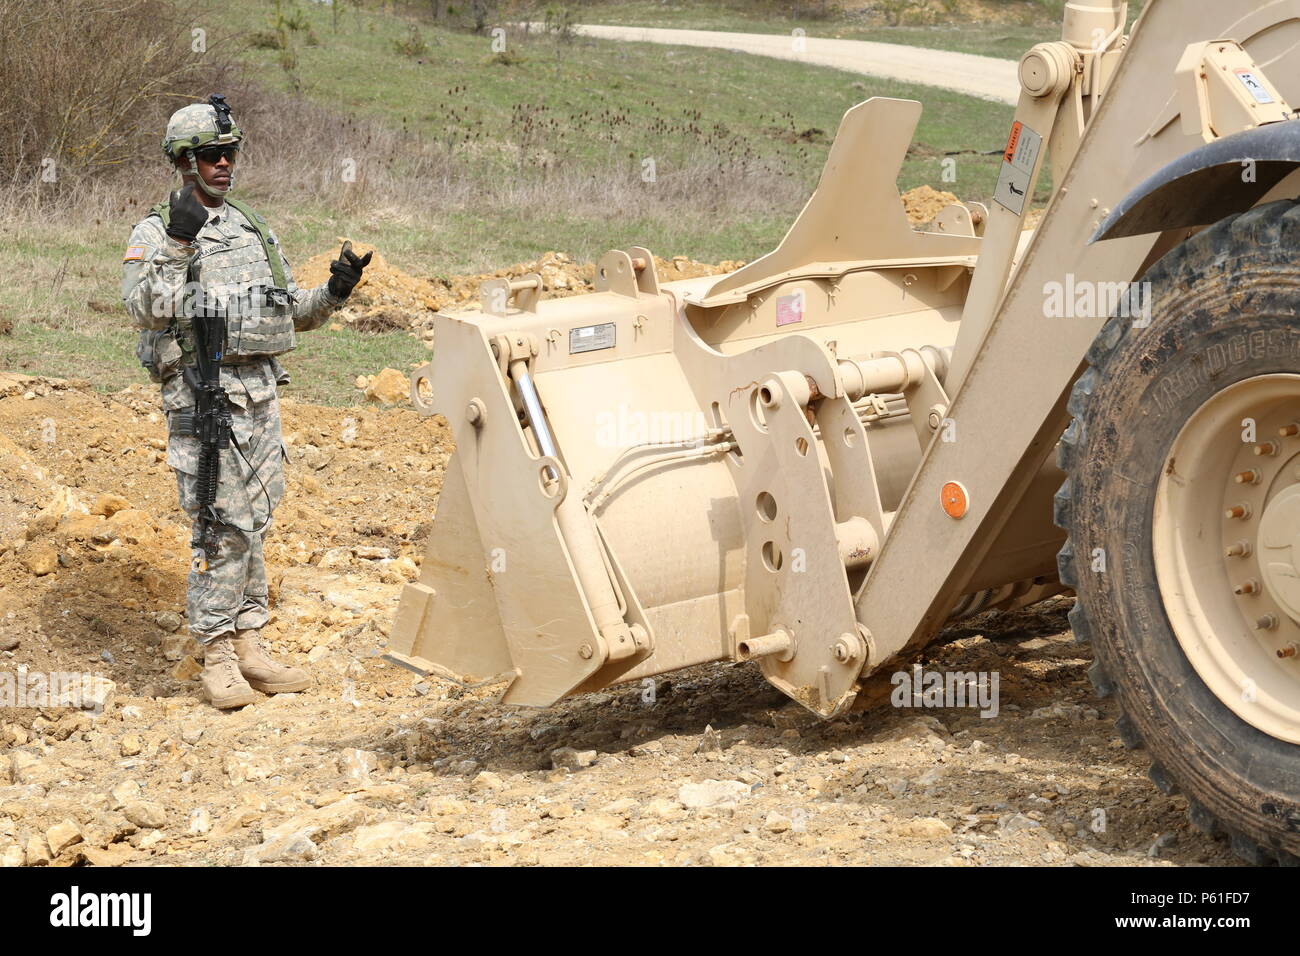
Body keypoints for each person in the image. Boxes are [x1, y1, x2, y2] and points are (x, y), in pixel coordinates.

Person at [121, 95, 371, 708]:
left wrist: (334, 292)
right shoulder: (157, 231)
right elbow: (145, 308)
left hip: (259, 396)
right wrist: (180, 242)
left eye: (230, 152)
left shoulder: (251, 228)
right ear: (183, 162)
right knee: (219, 525)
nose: (224, 163)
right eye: (211, 155)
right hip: (202, 398)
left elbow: (286, 314)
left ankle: (250, 640)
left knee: (255, 521)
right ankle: (216, 651)